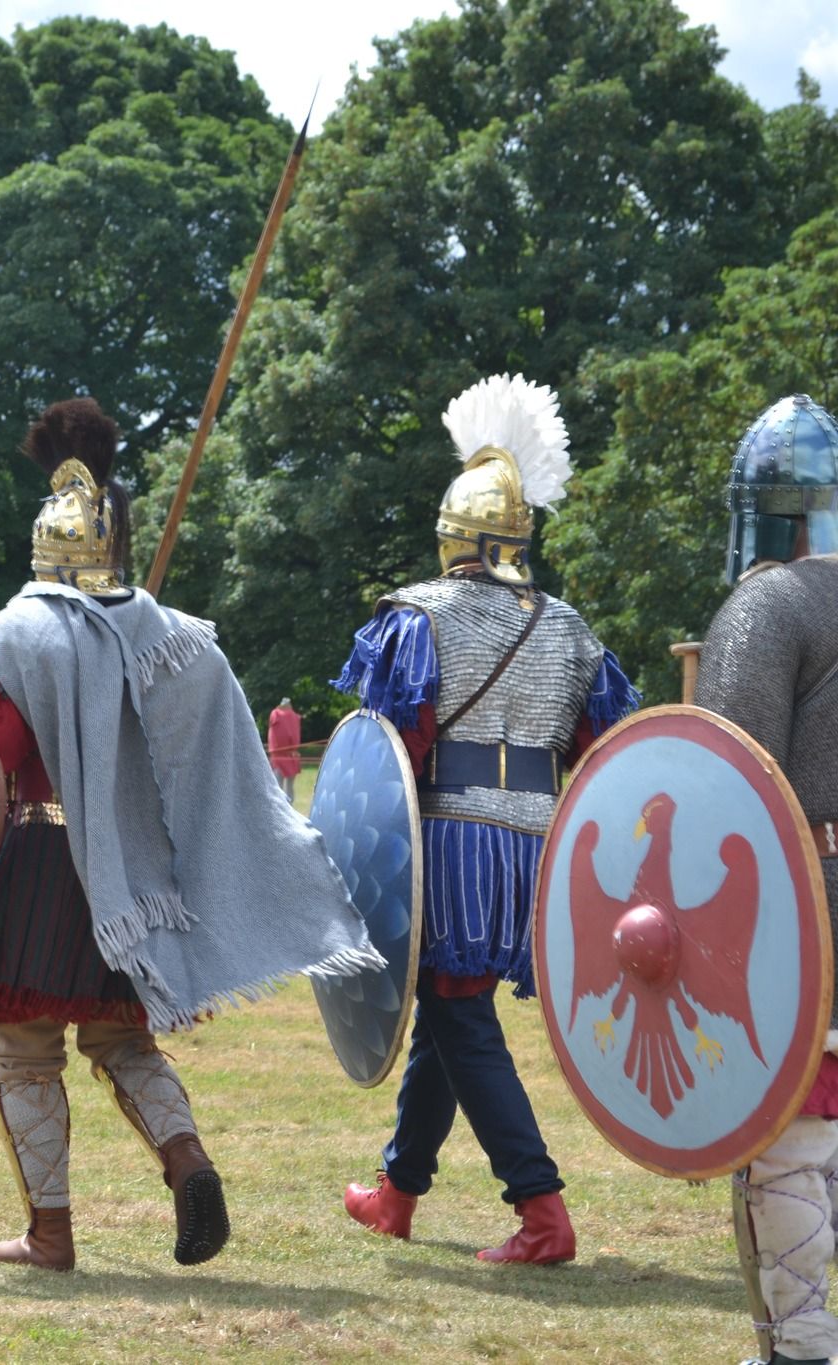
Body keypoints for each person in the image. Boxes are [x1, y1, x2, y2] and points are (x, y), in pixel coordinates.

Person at [0, 398, 380, 1273]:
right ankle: (187, 1159)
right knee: (122, 1039)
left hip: (43, 868)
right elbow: (205, 752)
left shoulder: (22, 633)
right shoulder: (173, 636)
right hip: (133, 882)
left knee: (24, 1049)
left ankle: (49, 1234)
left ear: (43, 549)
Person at [335, 374, 637, 1264]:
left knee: (460, 1016)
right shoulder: (571, 628)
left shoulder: (419, 615)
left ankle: (541, 1210)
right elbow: (602, 744)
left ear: (453, 535)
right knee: (447, 1005)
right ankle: (397, 1192)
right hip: (536, 848)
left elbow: (396, 748)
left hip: (450, 842)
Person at [690, 394, 838, 1365]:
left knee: (785, 1131)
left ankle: (799, 1346)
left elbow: (727, 786)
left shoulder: (767, 606)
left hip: (807, 904)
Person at [266, 698, 303, 803]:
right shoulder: (295, 717)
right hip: (288, 755)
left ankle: (282, 807)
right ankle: (288, 806)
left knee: (278, 786)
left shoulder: (275, 714)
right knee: (288, 787)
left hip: (281, 756)